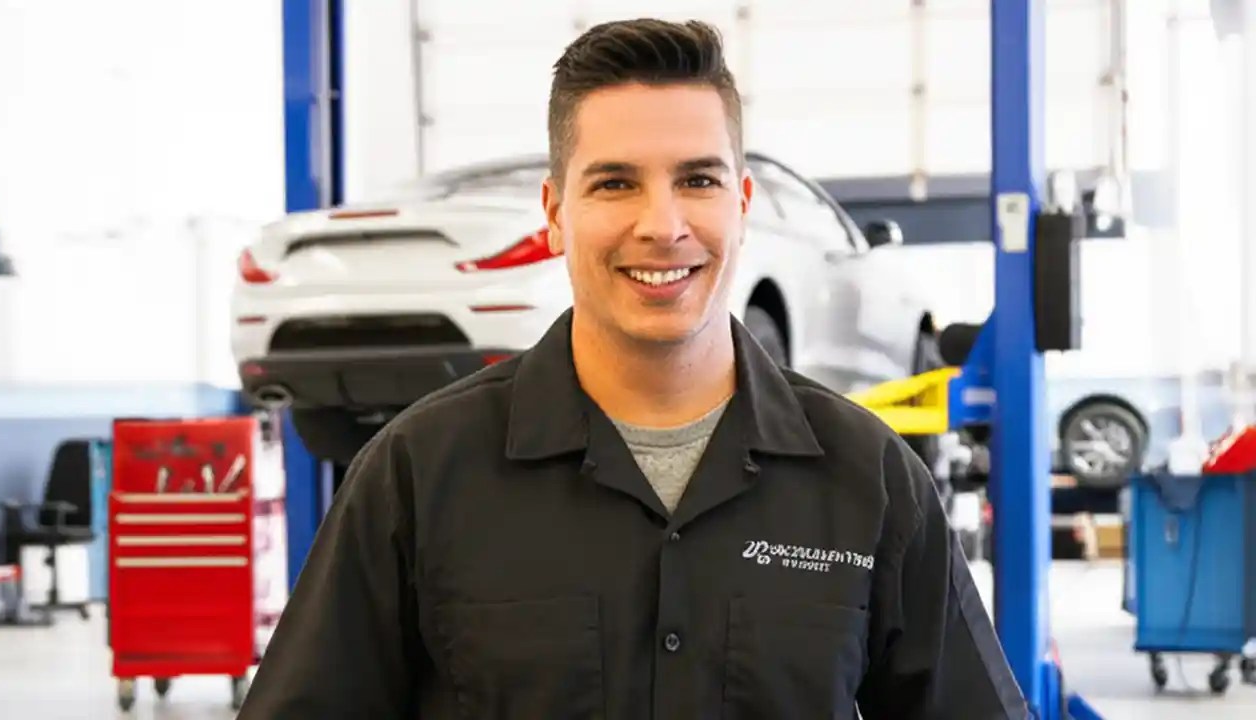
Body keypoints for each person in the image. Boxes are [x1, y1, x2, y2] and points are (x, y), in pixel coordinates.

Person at [238, 17, 1029, 719]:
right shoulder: (418, 476)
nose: (663, 224)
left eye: (698, 180)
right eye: (615, 183)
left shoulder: (870, 480)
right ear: (556, 214)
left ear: (741, 204)